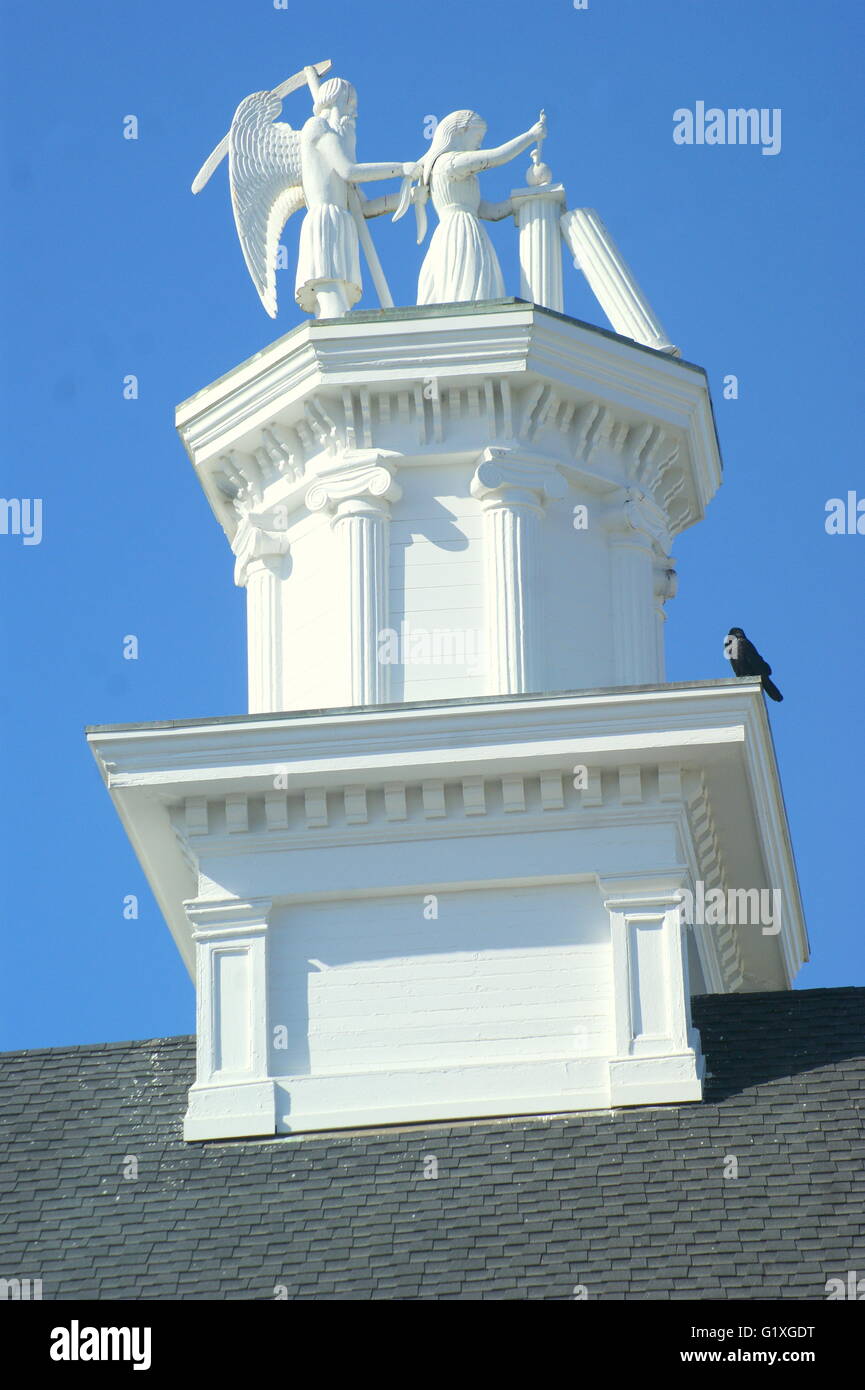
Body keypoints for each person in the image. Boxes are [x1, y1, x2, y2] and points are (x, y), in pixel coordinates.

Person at [297, 77, 418, 318]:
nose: (355, 114)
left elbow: (364, 207)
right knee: (333, 304)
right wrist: (401, 168)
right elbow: (349, 170)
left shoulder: (338, 138)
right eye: (350, 106)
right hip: (326, 221)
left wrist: (410, 196)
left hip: (342, 221)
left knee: (341, 305)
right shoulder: (316, 127)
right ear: (334, 102)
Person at [412, 109, 547, 305]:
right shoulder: (448, 162)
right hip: (460, 233)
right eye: (477, 136)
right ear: (461, 131)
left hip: (462, 229)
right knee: (467, 284)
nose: (479, 143)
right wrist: (530, 136)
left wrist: (524, 199)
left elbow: (491, 212)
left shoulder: (456, 183)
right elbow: (495, 157)